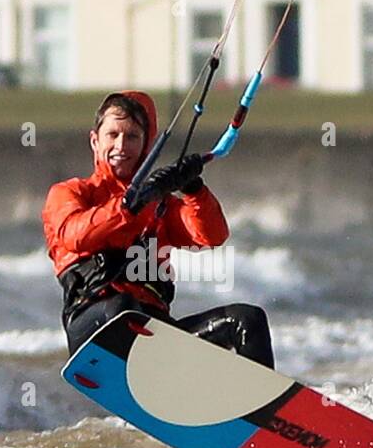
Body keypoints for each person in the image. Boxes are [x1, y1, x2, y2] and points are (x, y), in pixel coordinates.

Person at [43, 90, 275, 368]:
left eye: (132, 137)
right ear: (95, 140)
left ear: (145, 146)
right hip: (94, 328)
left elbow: (211, 237)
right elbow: (76, 235)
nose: (121, 146)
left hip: (155, 333)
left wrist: (193, 189)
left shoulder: (159, 206)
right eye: (113, 135)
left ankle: (260, 407)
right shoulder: (70, 193)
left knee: (247, 319)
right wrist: (128, 207)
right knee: (125, 309)